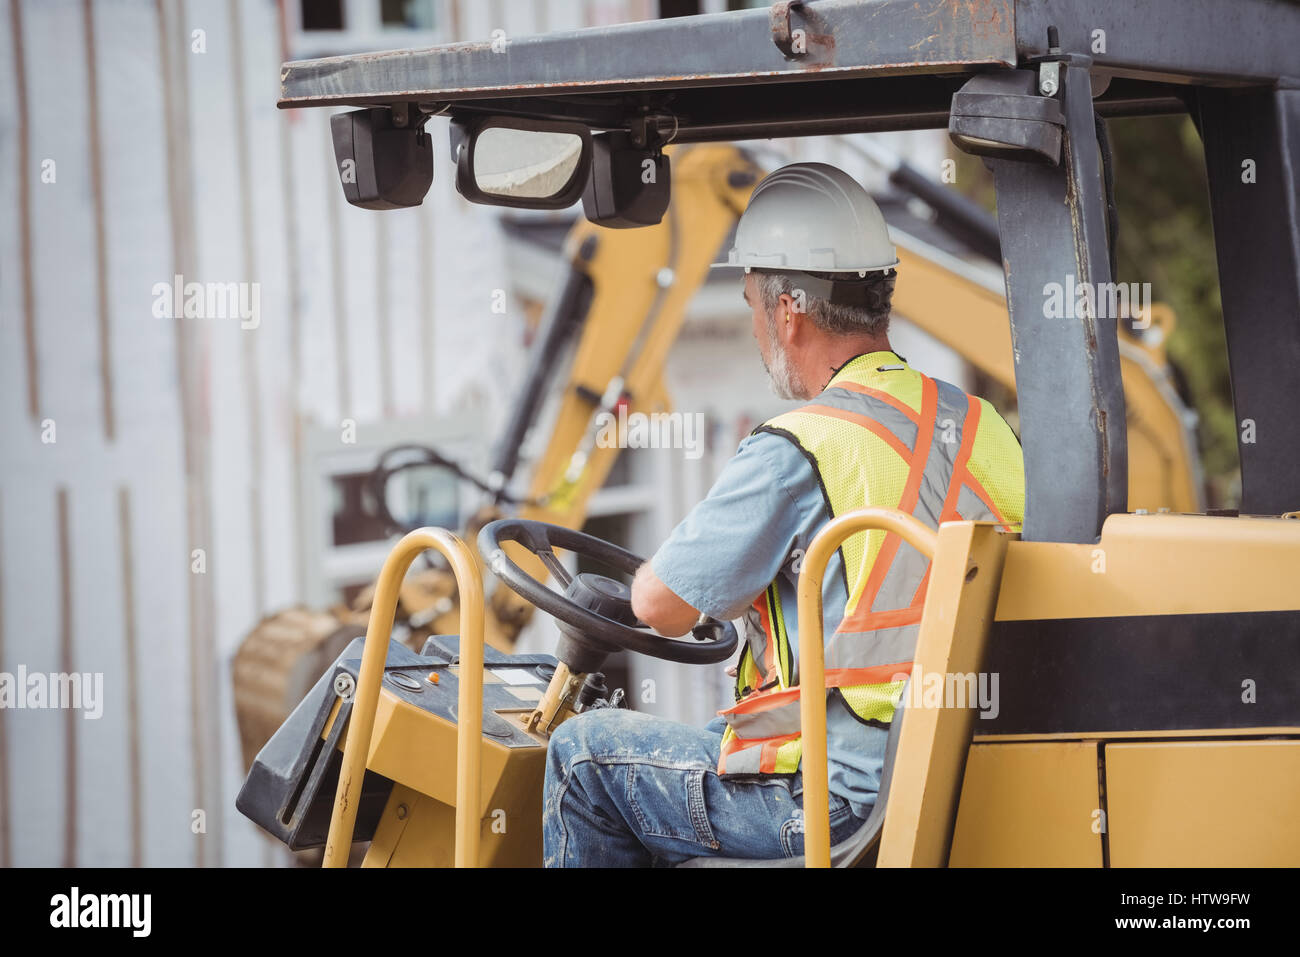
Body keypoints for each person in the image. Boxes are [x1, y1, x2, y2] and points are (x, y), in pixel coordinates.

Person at [542, 162, 1025, 867]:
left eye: (751, 303)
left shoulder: (802, 444)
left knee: (581, 757)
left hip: (824, 802)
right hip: (945, 779)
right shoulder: (981, 425)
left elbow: (659, 603)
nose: (756, 325)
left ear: (788, 311)